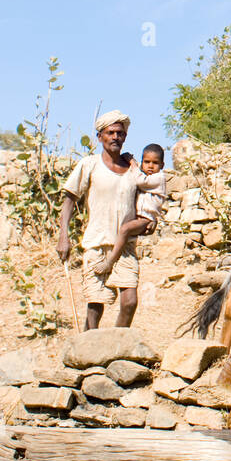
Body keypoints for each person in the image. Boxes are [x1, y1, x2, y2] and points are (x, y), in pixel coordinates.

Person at [57, 110, 162, 329]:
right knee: (96, 305)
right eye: (110, 132)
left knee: (129, 301)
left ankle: (117, 347)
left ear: (125, 137)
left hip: (125, 247)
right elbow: (69, 201)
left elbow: (147, 201)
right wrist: (63, 237)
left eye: (120, 133)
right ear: (100, 137)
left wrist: (150, 222)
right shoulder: (89, 164)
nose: (115, 137)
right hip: (97, 243)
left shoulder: (134, 170)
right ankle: (89, 349)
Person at [96, 143, 167, 281]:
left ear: (162, 165)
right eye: (147, 162)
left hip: (146, 218)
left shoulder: (159, 178)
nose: (151, 166)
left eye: (155, 163)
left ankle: (110, 260)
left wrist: (132, 164)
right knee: (123, 230)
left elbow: (141, 181)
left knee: (125, 229)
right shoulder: (144, 173)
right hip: (139, 217)